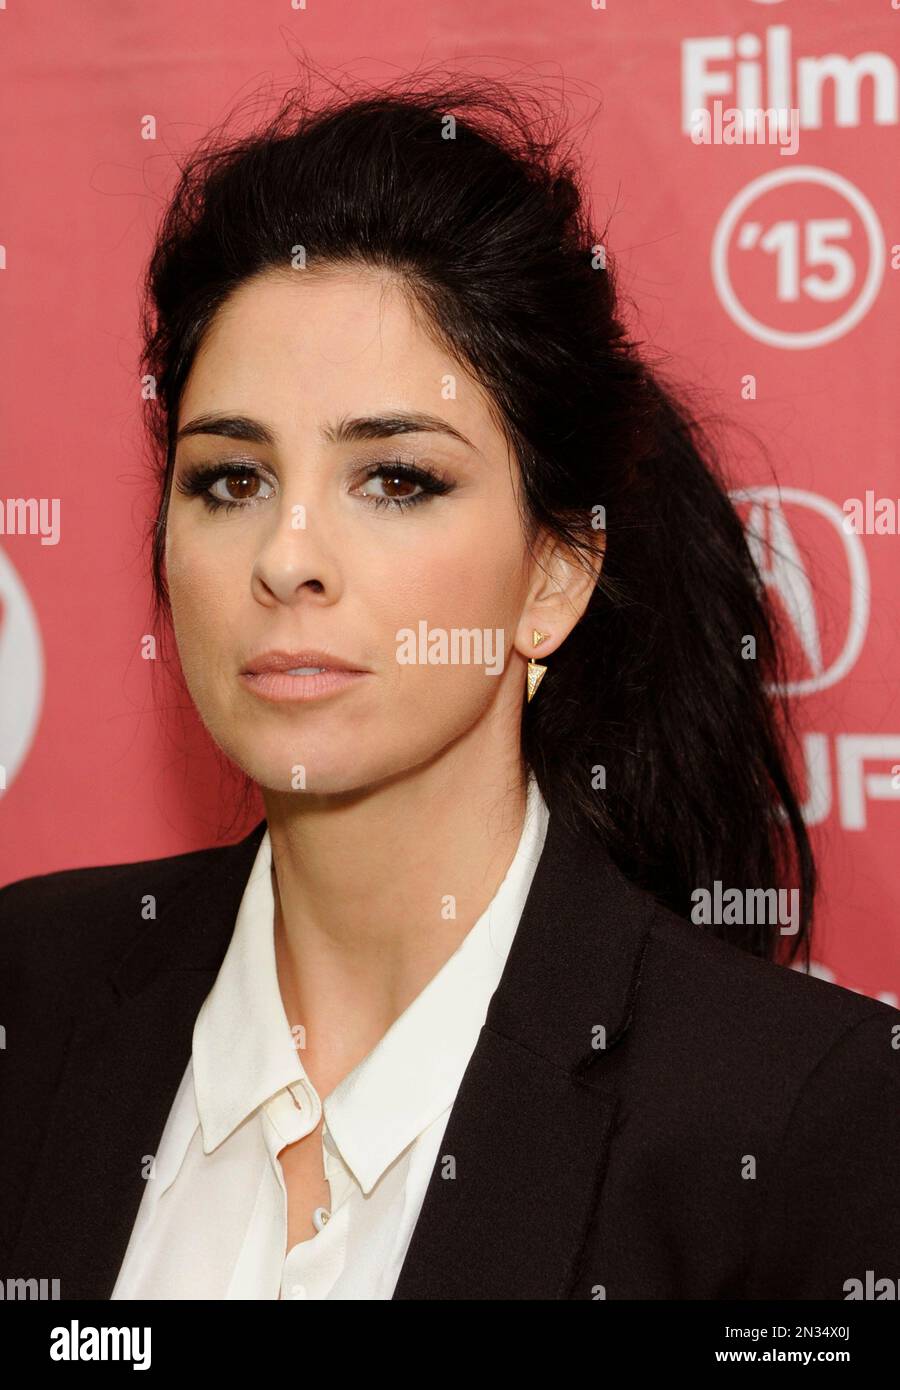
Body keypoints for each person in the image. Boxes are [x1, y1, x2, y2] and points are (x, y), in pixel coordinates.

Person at [1, 70, 898, 1302]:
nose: (287, 557)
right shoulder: (28, 994)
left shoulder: (802, 1122)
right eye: (230, 480)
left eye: (398, 479)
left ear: (556, 574)